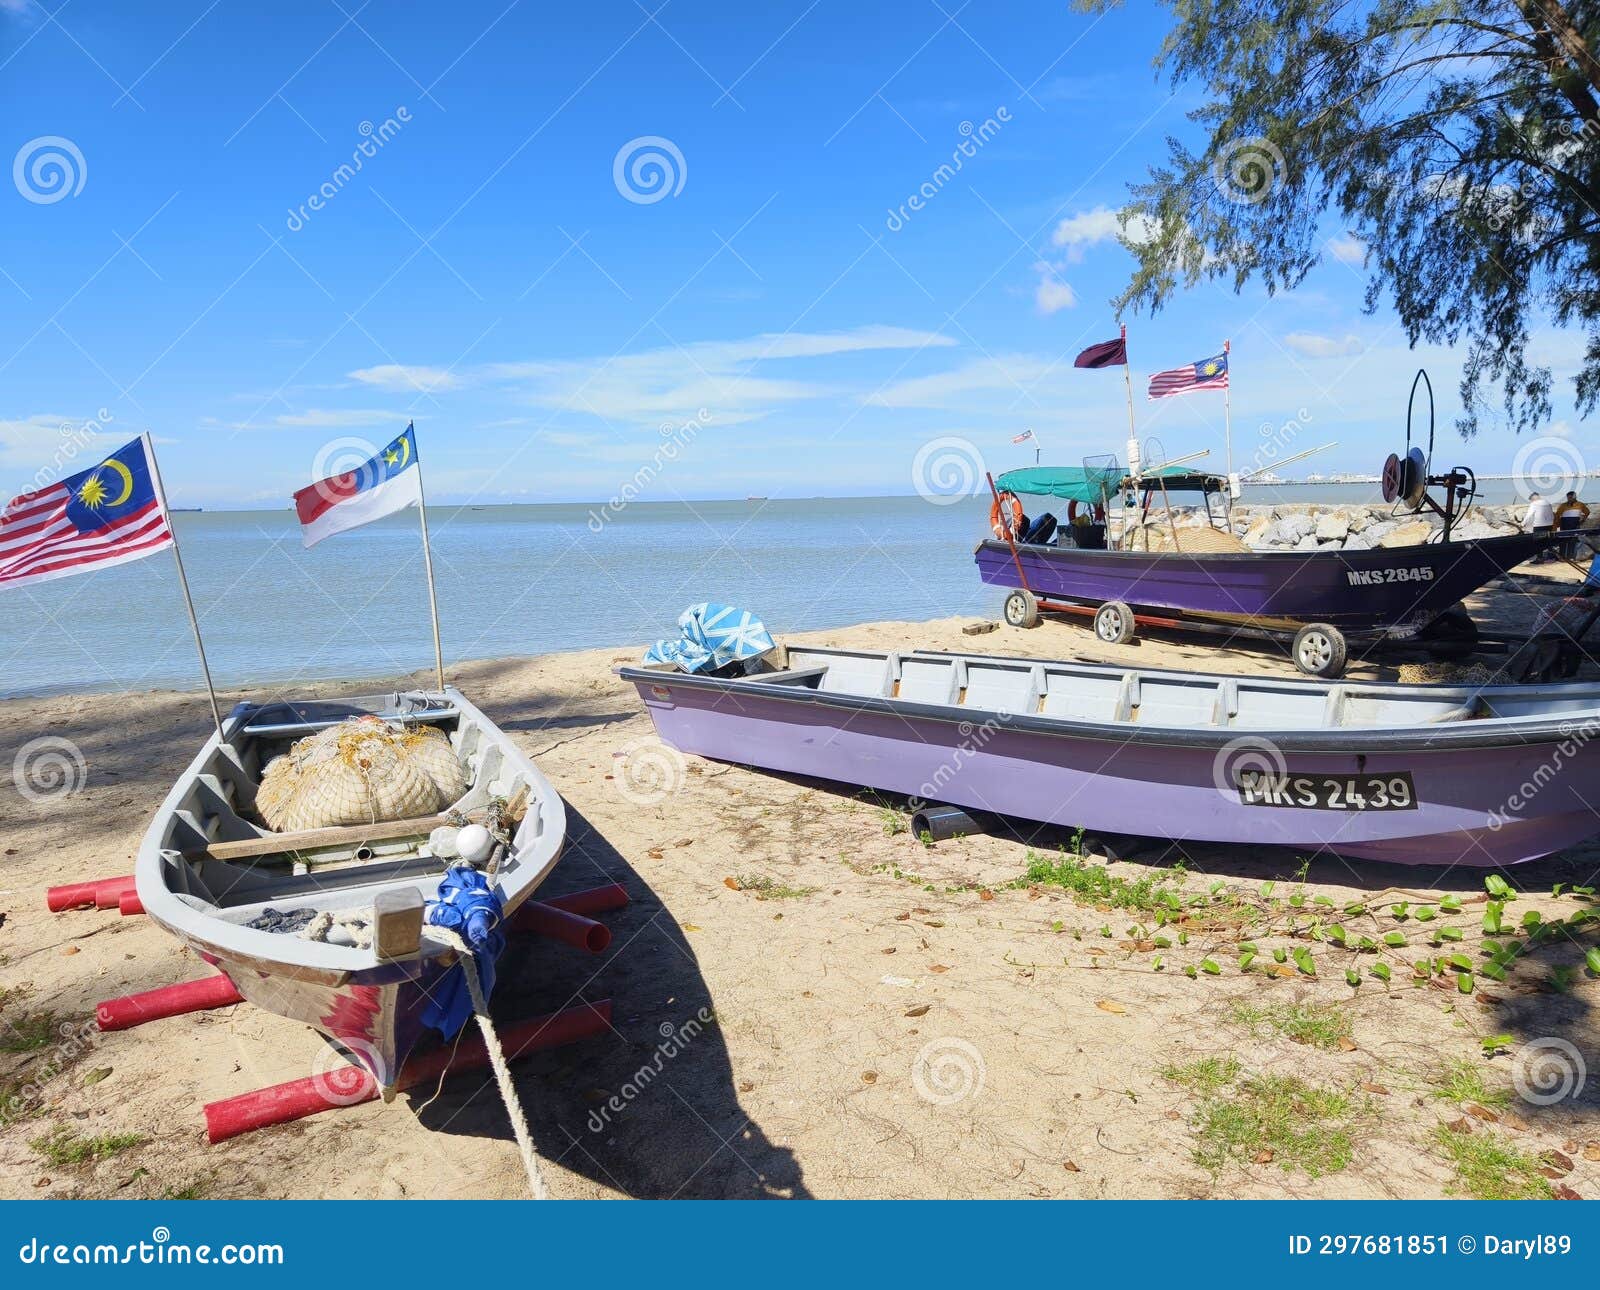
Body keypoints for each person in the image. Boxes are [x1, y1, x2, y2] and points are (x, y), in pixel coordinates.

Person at [1556, 490, 1591, 559]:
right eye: (1568, 498)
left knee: (1573, 541)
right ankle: (1562, 557)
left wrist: (1583, 520)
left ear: (1575, 497)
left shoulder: (1580, 504)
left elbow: (1587, 512)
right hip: (1564, 525)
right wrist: (1558, 524)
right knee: (1563, 541)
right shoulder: (1563, 505)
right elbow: (1557, 515)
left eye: (1571, 497)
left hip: (1575, 525)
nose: (1569, 499)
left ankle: (1571, 557)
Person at [1524, 492, 1556, 562]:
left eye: (1531, 500)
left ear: (1533, 498)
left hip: (1539, 525)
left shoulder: (1534, 504)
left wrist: (1523, 523)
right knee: (1548, 541)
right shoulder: (1547, 502)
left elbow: (1529, 514)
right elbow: (1551, 514)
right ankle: (1551, 557)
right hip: (1549, 525)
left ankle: (1540, 559)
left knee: (1538, 542)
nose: (1531, 501)